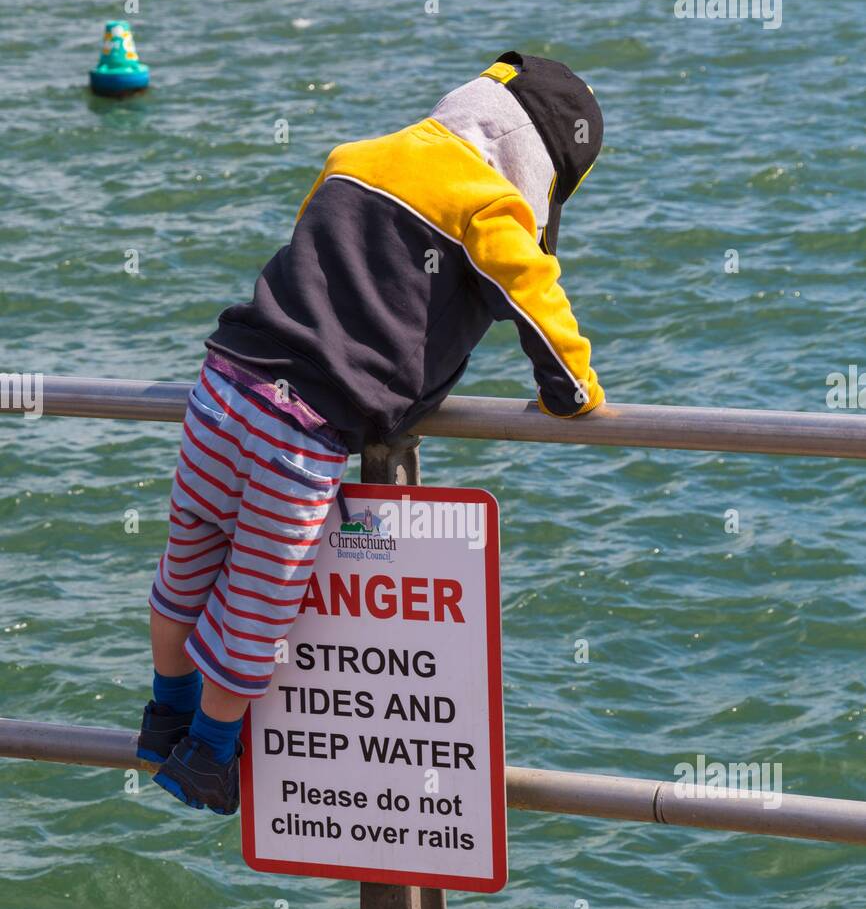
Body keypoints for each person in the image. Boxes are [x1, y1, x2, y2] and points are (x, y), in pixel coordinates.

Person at [137, 49, 606, 815]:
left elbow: (315, 257)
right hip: (300, 430)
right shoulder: (489, 203)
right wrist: (572, 391)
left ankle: (164, 717)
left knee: (188, 557)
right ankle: (210, 754)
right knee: (259, 598)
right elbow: (536, 303)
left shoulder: (354, 158)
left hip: (222, 384)